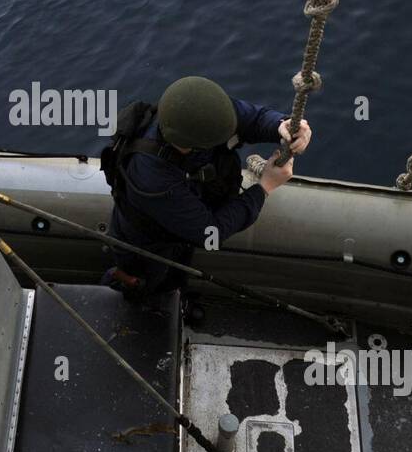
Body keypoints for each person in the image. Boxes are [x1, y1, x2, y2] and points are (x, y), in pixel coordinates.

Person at [100, 75, 311, 299]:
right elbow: (211, 234)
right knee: (149, 283)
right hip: (148, 245)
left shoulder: (203, 112)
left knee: (177, 275)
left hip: (185, 214)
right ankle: (135, 300)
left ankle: (175, 297)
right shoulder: (154, 178)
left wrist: (281, 125)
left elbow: (252, 118)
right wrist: (264, 187)